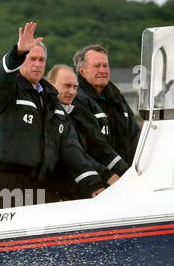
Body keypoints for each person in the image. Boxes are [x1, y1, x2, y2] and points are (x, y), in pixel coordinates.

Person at [0, 22, 105, 209]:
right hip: (6, 183)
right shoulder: (7, 90)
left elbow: (69, 148)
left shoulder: (50, 100)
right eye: (32, 59)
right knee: (15, 238)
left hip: (39, 183)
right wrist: (17, 53)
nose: (38, 64)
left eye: (41, 60)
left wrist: (94, 184)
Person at [46, 64, 125, 193]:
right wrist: (104, 176)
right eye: (67, 86)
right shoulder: (49, 116)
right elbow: (72, 153)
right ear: (50, 84)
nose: (72, 92)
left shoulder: (75, 114)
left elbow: (95, 147)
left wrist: (123, 172)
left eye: (74, 87)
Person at [74, 44, 141, 166]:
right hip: (101, 178)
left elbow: (135, 135)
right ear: (82, 72)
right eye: (97, 66)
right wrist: (120, 170)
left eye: (105, 66)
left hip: (129, 175)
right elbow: (93, 145)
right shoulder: (78, 100)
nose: (102, 70)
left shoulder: (118, 98)